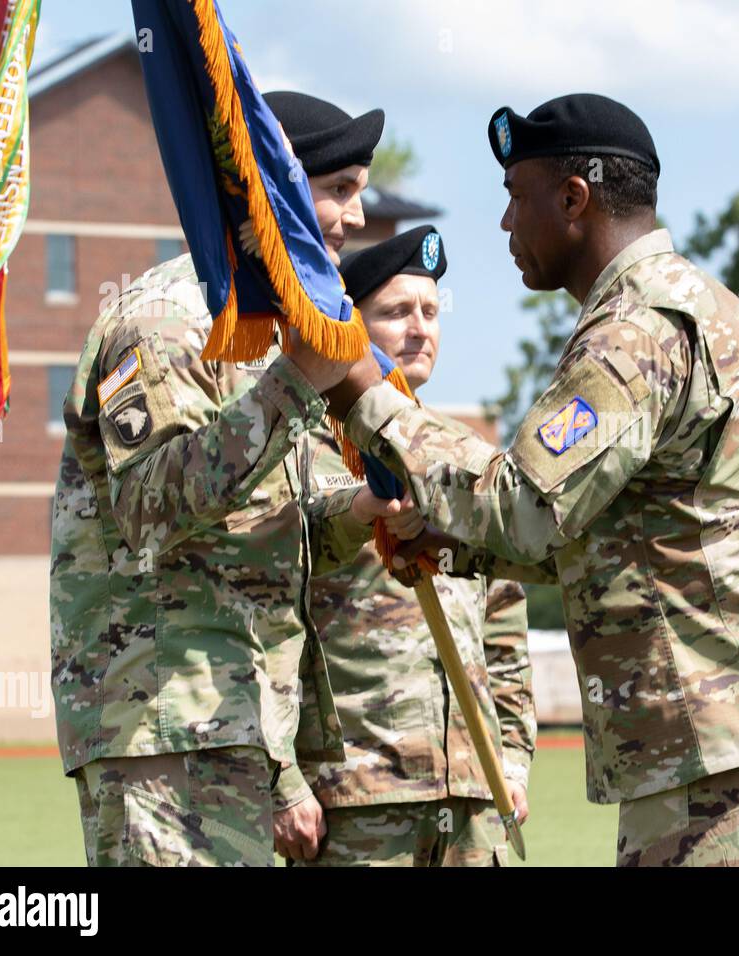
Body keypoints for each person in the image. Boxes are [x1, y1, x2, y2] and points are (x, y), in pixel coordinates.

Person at [322, 93, 739, 867]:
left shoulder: (633, 330)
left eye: (516, 198)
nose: (505, 223)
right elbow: (631, 533)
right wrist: (449, 541)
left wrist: (367, 397)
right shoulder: (708, 305)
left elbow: (527, 507)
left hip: (733, 739)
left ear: (574, 199)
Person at [50, 91, 387, 866]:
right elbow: (149, 506)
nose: (358, 216)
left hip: (233, 721)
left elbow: (267, 527)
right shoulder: (170, 319)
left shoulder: (267, 330)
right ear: (271, 193)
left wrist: (363, 507)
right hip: (161, 721)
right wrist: (296, 383)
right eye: (339, 189)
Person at [272, 226, 536, 867]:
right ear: (351, 328)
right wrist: (282, 779)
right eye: (396, 312)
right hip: (356, 797)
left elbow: (504, 621)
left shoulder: (462, 456)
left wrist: (512, 759)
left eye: (431, 312)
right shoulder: (298, 450)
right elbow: (264, 616)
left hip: (473, 797)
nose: (420, 329)